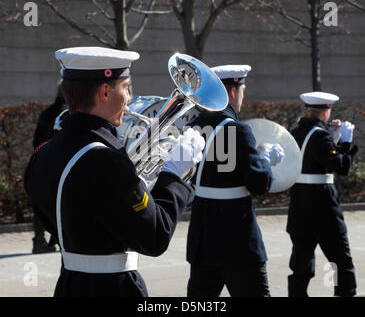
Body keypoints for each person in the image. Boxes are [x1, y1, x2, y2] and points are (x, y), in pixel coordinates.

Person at [24, 46, 205, 297]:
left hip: (69, 285)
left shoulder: (41, 155)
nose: (130, 98)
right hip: (114, 289)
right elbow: (155, 237)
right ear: (105, 92)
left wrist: (131, 187)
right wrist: (174, 174)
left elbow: (72, 218)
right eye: (126, 87)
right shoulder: (107, 162)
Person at [186, 65, 285, 297]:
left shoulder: (193, 127)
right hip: (236, 239)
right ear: (231, 93)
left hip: (202, 235)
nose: (243, 96)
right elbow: (260, 184)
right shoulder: (238, 130)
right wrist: (264, 158)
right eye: (242, 90)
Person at [287, 91, 359, 297]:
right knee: (340, 261)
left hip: (300, 204)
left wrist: (333, 141)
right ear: (326, 111)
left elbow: (318, 157)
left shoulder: (296, 132)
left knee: (301, 263)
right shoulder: (321, 136)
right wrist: (346, 143)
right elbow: (342, 167)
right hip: (323, 206)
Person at [31, 84, 68, 254]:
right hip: (60, 166)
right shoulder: (67, 115)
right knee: (60, 204)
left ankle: (39, 240)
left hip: (41, 162)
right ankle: (58, 240)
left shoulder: (47, 112)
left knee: (40, 203)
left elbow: (35, 140)